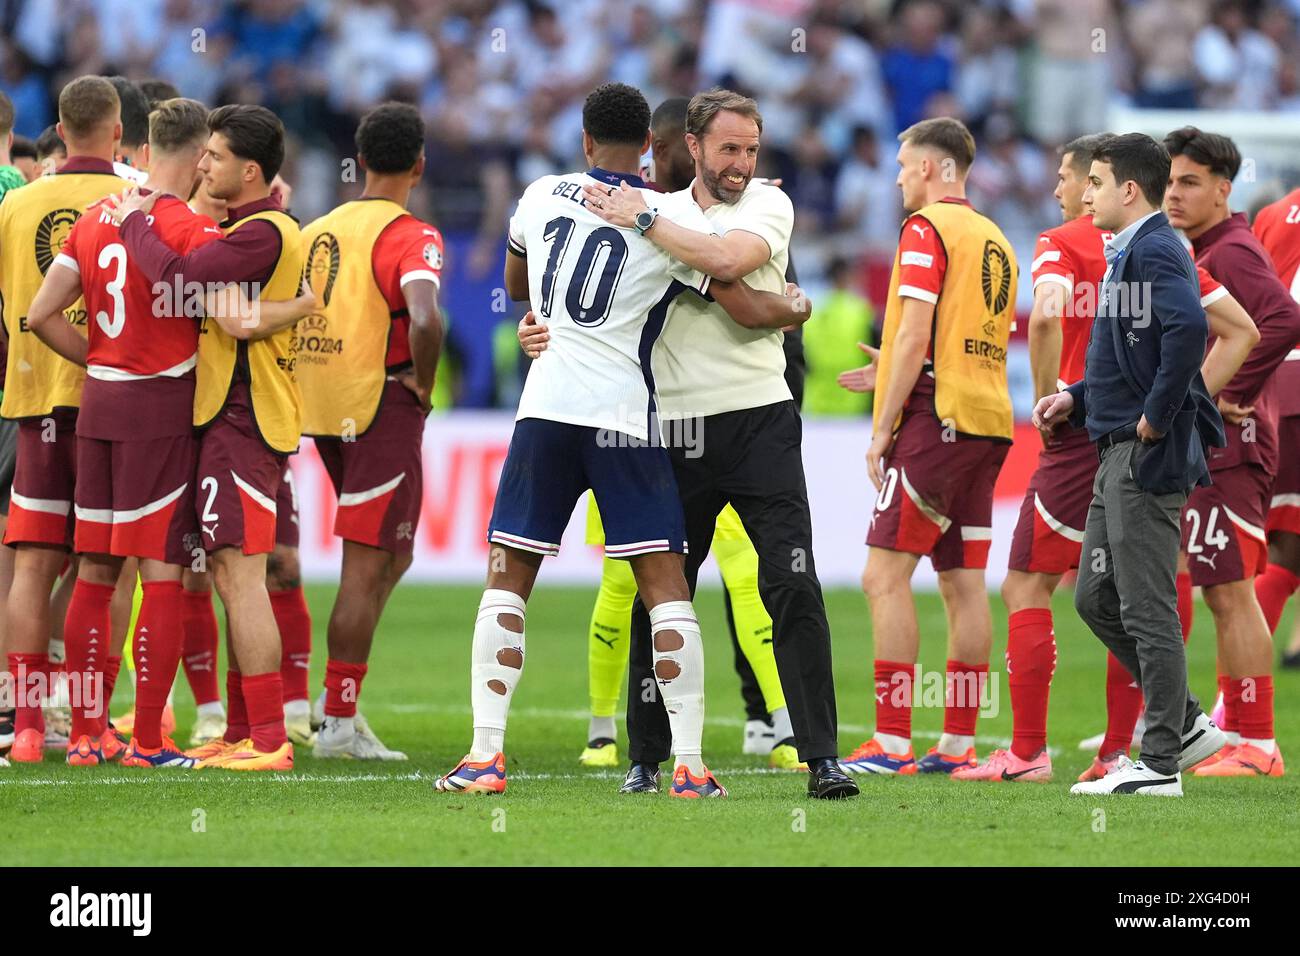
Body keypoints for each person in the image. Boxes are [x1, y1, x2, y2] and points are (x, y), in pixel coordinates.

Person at [435, 83, 800, 798]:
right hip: (626, 419)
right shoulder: (665, 218)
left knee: (508, 576)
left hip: (545, 410)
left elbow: (516, 285)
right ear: (655, 151)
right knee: (665, 588)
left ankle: (484, 757)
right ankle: (691, 766)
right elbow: (741, 299)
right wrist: (795, 305)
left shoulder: (541, 193)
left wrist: (541, 317)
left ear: (583, 139)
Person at [579, 89, 858, 799]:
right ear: (693, 147)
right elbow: (719, 291)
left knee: (791, 582)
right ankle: (646, 757)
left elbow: (731, 260)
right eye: (728, 148)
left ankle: (820, 757)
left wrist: (649, 222)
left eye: (751, 150)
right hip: (672, 427)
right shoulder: (659, 212)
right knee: (663, 595)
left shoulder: (766, 206)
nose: (741, 163)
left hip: (761, 420)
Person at [26, 97, 306, 767]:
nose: (209, 165)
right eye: (206, 154)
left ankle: (86, 733)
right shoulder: (190, 226)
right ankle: (151, 738)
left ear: (144, 145)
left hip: (96, 406)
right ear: (193, 155)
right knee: (163, 576)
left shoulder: (101, 214)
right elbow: (227, 309)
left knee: (92, 570)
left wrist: (100, 360)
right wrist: (298, 304)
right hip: (165, 413)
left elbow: (38, 314)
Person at [110, 105, 307, 771]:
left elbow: (181, 282)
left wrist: (137, 220)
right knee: (226, 571)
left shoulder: (261, 235)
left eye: (216, 157)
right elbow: (228, 310)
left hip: (243, 422)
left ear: (248, 171)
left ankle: (272, 739)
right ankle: (246, 730)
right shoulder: (245, 229)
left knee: (240, 573)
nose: (204, 163)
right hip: (228, 421)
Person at [1032, 132, 1227, 797]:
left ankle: (1161, 764)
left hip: (1141, 454)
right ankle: (1190, 722)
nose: (1084, 192)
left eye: (1095, 181)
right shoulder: (1133, 252)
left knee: (1147, 608)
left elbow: (1190, 331)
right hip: (1113, 445)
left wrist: (1155, 416)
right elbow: (1128, 359)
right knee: (1093, 596)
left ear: (1128, 190)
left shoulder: (1152, 248)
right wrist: (1074, 398)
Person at [836, 118, 1017, 777]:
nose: (898, 177)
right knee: (964, 584)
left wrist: (882, 425)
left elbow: (916, 334)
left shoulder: (926, 229)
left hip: (935, 421)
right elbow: (959, 336)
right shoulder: (995, 236)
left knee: (882, 577)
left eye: (905, 164)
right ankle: (959, 744)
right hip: (988, 420)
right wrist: (893, 366)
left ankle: (889, 742)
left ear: (935, 169)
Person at [299, 101, 443, 760]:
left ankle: (340, 713)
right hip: (381, 401)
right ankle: (337, 723)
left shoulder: (320, 228)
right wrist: (424, 381)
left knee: (392, 554)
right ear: (418, 164)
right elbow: (426, 317)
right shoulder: (411, 234)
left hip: (326, 405)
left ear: (359, 162)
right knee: (366, 564)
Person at [0, 76, 134, 763]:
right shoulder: (136, 199)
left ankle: (23, 727)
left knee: (31, 563)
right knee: (104, 566)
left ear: (57, 127)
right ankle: (90, 722)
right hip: (113, 409)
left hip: (32, 405)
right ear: (116, 131)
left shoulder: (16, 205)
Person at [1163, 126, 1299, 778]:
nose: (1174, 195)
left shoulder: (1233, 250)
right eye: (1168, 182)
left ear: (1224, 188)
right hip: (1219, 439)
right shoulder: (1203, 246)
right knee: (1219, 585)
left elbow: (1282, 318)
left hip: (1234, 442)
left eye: (1189, 182)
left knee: (1231, 590)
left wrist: (1221, 394)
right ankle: (1230, 733)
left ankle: (1257, 742)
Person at [1248, 186, 1300, 667]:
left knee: (1285, 550)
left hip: (1275, 389)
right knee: (1286, 554)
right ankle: (1234, 713)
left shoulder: (1273, 214)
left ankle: (1233, 712)